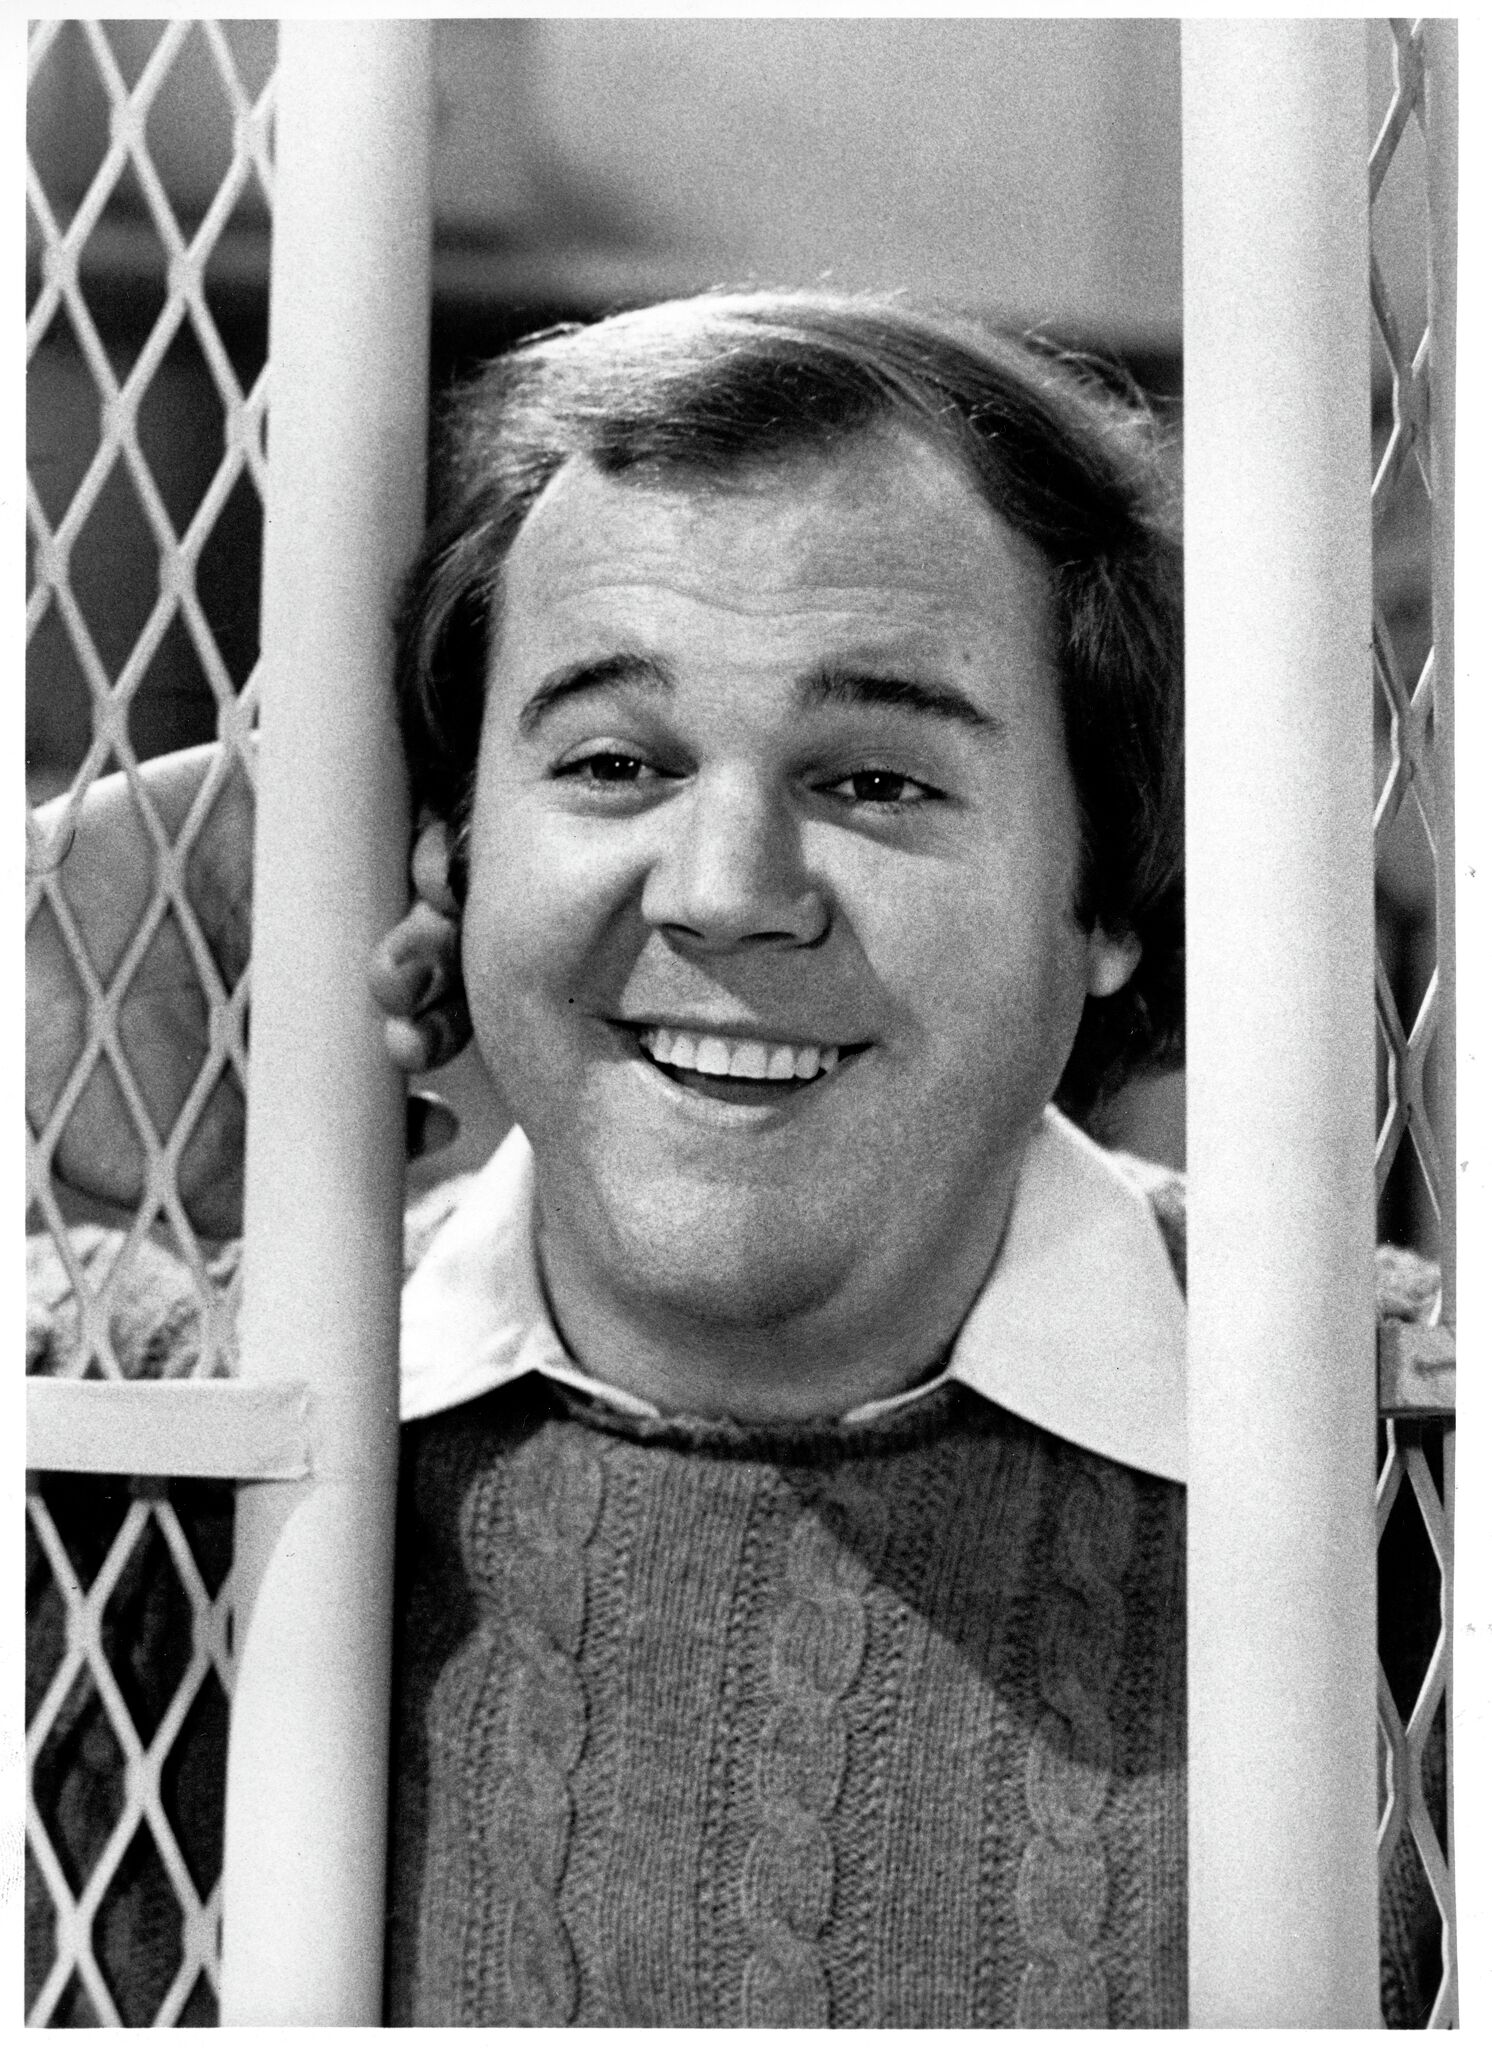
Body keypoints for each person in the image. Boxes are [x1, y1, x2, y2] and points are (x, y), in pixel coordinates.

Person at [25, 290, 1433, 2025]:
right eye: (615, 762)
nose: (724, 890)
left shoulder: (1412, 1443)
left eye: (878, 780)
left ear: (1109, 896)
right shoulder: (133, 1412)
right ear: (449, 859)